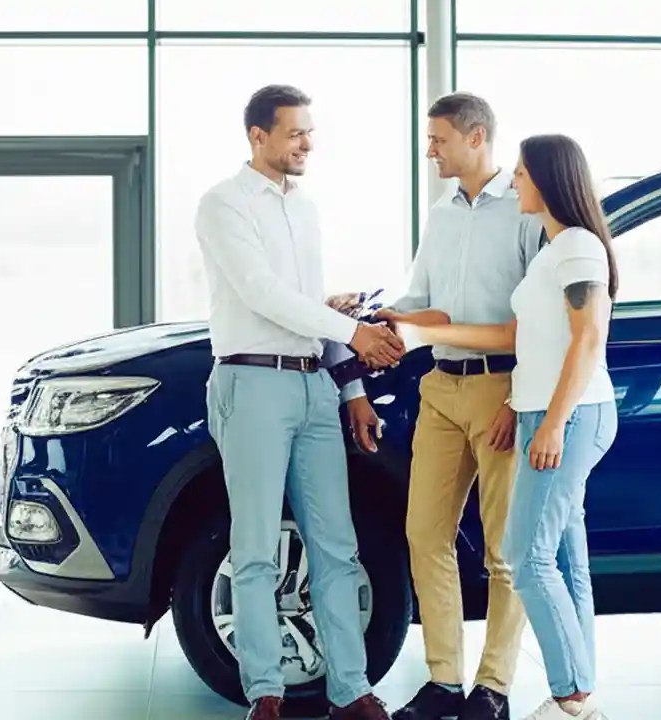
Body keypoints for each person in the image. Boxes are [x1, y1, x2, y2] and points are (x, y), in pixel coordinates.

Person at [379, 133, 620, 720]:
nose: (514, 182)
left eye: (522, 173)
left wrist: (551, 423)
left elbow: (589, 340)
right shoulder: (553, 252)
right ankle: (575, 692)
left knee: (524, 554)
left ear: (547, 178)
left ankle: (571, 699)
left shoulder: (579, 248)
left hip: (567, 414)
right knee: (565, 560)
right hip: (539, 406)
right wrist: (417, 327)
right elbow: (513, 337)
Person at [194, 83, 405, 720]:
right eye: (294, 133)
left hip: (314, 384)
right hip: (251, 384)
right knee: (254, 547)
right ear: (258, 137)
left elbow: (309, 305)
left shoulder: (304, 208)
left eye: (310, 131)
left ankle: (352, 690)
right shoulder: (223, 205)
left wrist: (352, 386)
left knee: (336, 546)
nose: (307, 143)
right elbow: (261, 292)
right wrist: (356, 333)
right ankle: (265, 694)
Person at [343, 92, 542, 720]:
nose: (429, 149)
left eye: (438, 140)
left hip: (502, 388)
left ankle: (495, 688)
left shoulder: (526, 210)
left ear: (475, 137)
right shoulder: (442, 213)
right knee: (424, 533)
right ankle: (444, 682)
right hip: (442, 387)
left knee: (503, 548)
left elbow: (540, 321)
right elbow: (430, 305)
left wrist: (519, 396)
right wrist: (390, 318)